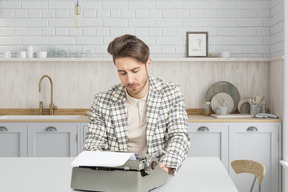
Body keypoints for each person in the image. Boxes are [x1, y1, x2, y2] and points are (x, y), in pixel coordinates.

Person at [84, 34, 190, 175]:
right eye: (122, 73)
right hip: (117, 175)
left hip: (158, 172)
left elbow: (179, 136)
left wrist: (165, 167)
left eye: (135, 71)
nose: (130, 80)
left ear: (148, 64)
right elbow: (93, 145)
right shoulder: (103, 101)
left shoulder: (171, 93)